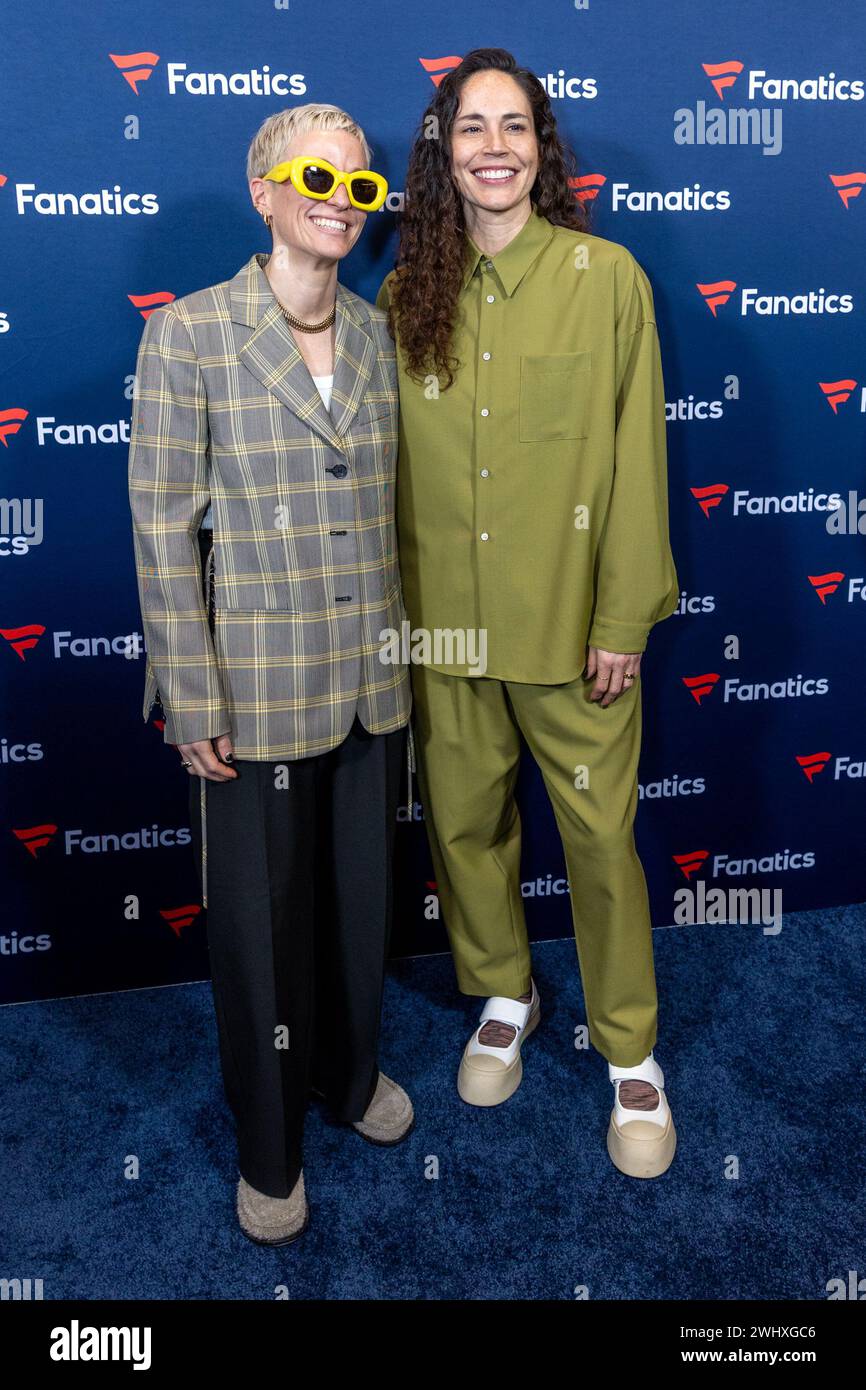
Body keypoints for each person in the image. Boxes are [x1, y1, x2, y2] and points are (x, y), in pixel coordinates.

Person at [377, 49, 680, 1179]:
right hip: (443, 632)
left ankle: (630, 1054)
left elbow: (638, 461)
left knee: (599, 842)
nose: (492, 146)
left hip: (571, 633)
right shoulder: (402, 292)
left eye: (513, 126)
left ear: (541, 148)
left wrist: (622, 619)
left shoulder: (606, 278)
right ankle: (504, 991)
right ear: (440, 150)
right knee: (462, 831)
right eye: (469, 128)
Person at [129, 104, 413, 1245]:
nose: (337, 199)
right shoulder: (192, 334)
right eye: (312, 177)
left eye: (359, 186)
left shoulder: (381, 333)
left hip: (367, 681)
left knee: (357, 908)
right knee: (257, 929)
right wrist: (189, 694)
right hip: (249, 693)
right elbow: (161, 530)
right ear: (262, 192)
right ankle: (268, 1142)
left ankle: (345, 1081)